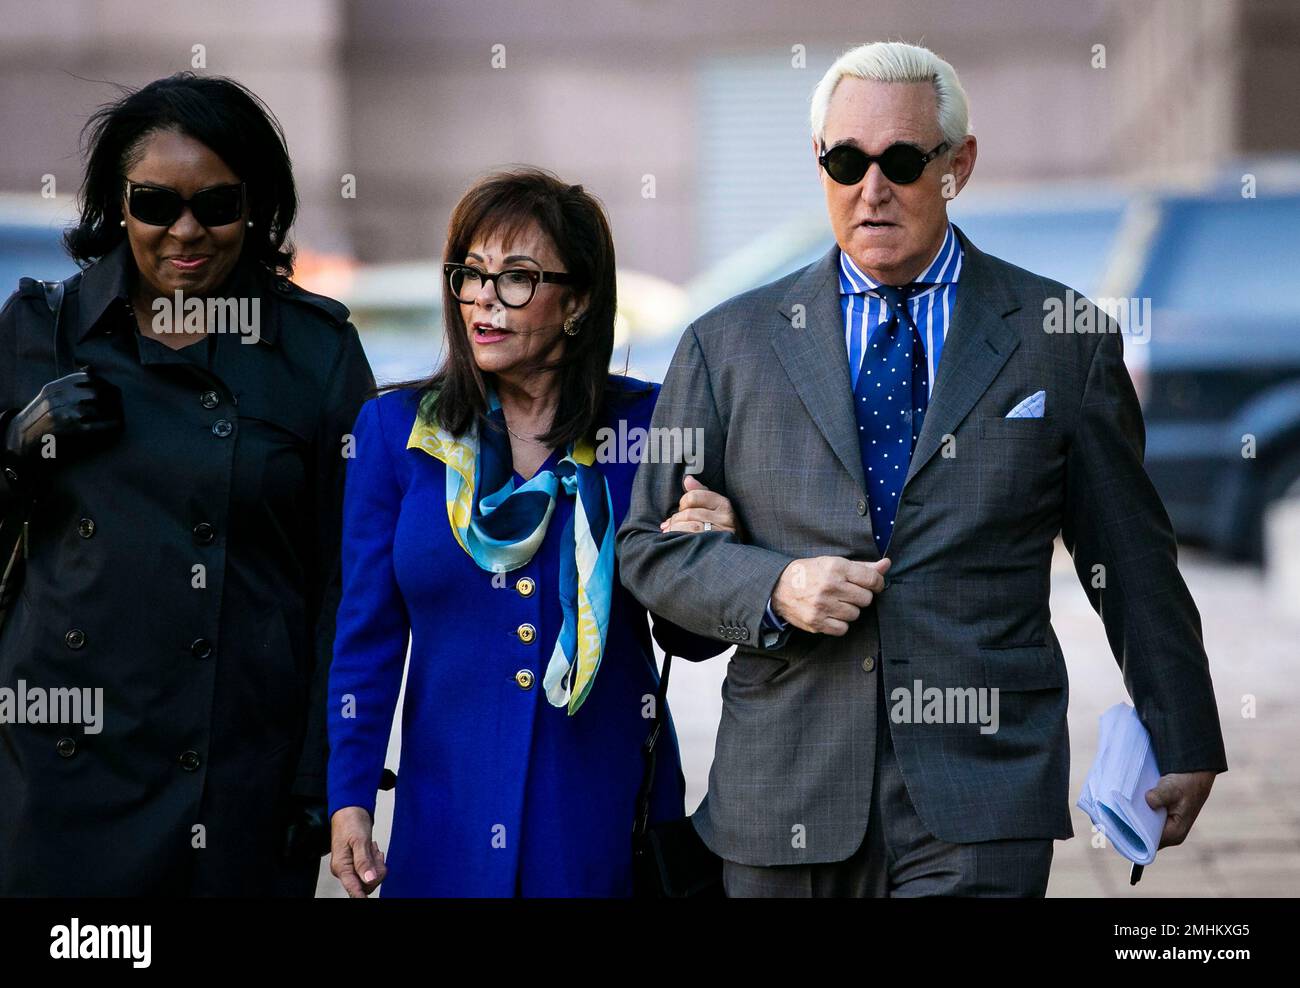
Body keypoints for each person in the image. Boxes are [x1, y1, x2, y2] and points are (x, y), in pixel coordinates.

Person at [617, 41, 1227, 897]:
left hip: (982, 792)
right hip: (782, 793)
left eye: (903, 160)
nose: (872, 187)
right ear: (819, 165)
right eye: (845, 160)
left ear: (958, 165)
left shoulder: (1061, 338)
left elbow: (1127, 559)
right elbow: (646, 548)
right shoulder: (726, 344)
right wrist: (774, 585)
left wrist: (1185, 731)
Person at [0, 72, 373, 895]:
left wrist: (324, 776)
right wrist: (17, 449)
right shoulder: (38, 328)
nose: (187, 232)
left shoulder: (316, 353)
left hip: (235, 771)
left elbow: (350, 585)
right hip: (61, 769)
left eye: (219, 204)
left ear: (258, 206)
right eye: (156, 205)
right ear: (116, 205)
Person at [327, 168, 737, 897]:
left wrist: (708, 551)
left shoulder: (646, 430)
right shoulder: (398, 435)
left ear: (577, 302)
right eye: (470, 274)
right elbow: (367, 637)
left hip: (600, 819)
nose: (484, 298)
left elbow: (694, 639)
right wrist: (351, 796)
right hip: (445, 823)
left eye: (516, 278)